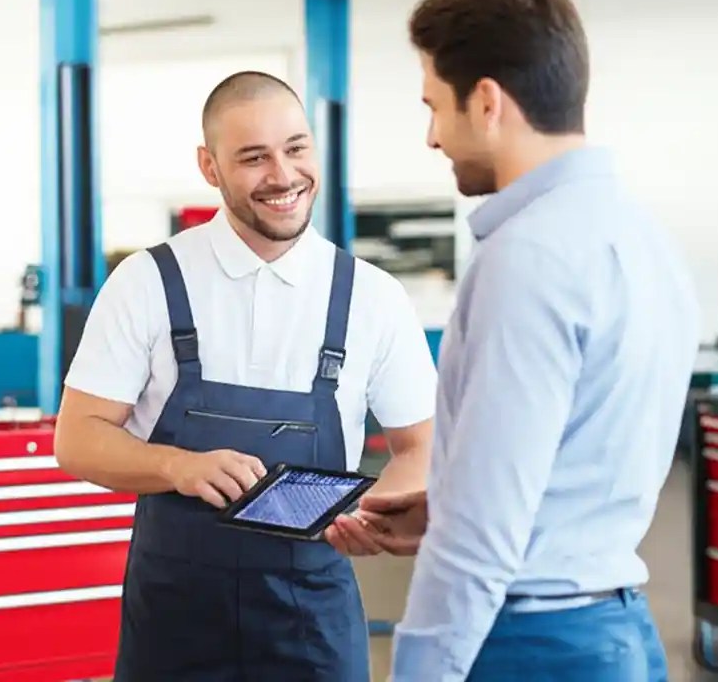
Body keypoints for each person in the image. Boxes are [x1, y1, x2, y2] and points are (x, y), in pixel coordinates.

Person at [339, 0, 701, 681]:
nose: (432, 138)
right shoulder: (644, 240)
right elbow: (573, 463)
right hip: (617, 632)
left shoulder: (525, 259)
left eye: (434, 107)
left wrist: (421, 670)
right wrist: (446, 505)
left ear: (486, 102)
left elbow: (482, 535)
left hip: (529, 647)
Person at [53, 70, 438, 681]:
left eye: (295, 149)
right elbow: (76, 438)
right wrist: (176, 466)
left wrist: (381, 509)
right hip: (175, 619)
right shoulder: (148, 282)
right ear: (209, 167)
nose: (282, 176)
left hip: (311, 615)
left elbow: (421, 444)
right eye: (254, 158)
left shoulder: (371, 296)